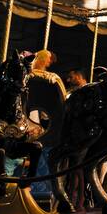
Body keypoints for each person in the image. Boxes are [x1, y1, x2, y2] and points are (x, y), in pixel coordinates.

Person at [26, 51, 68, 203]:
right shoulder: (38, 77)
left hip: (41, 126)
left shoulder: (46, 78)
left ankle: (44, 191)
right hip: (34, 124)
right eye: (49, 61)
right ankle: (41, 191)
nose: (49, 64)